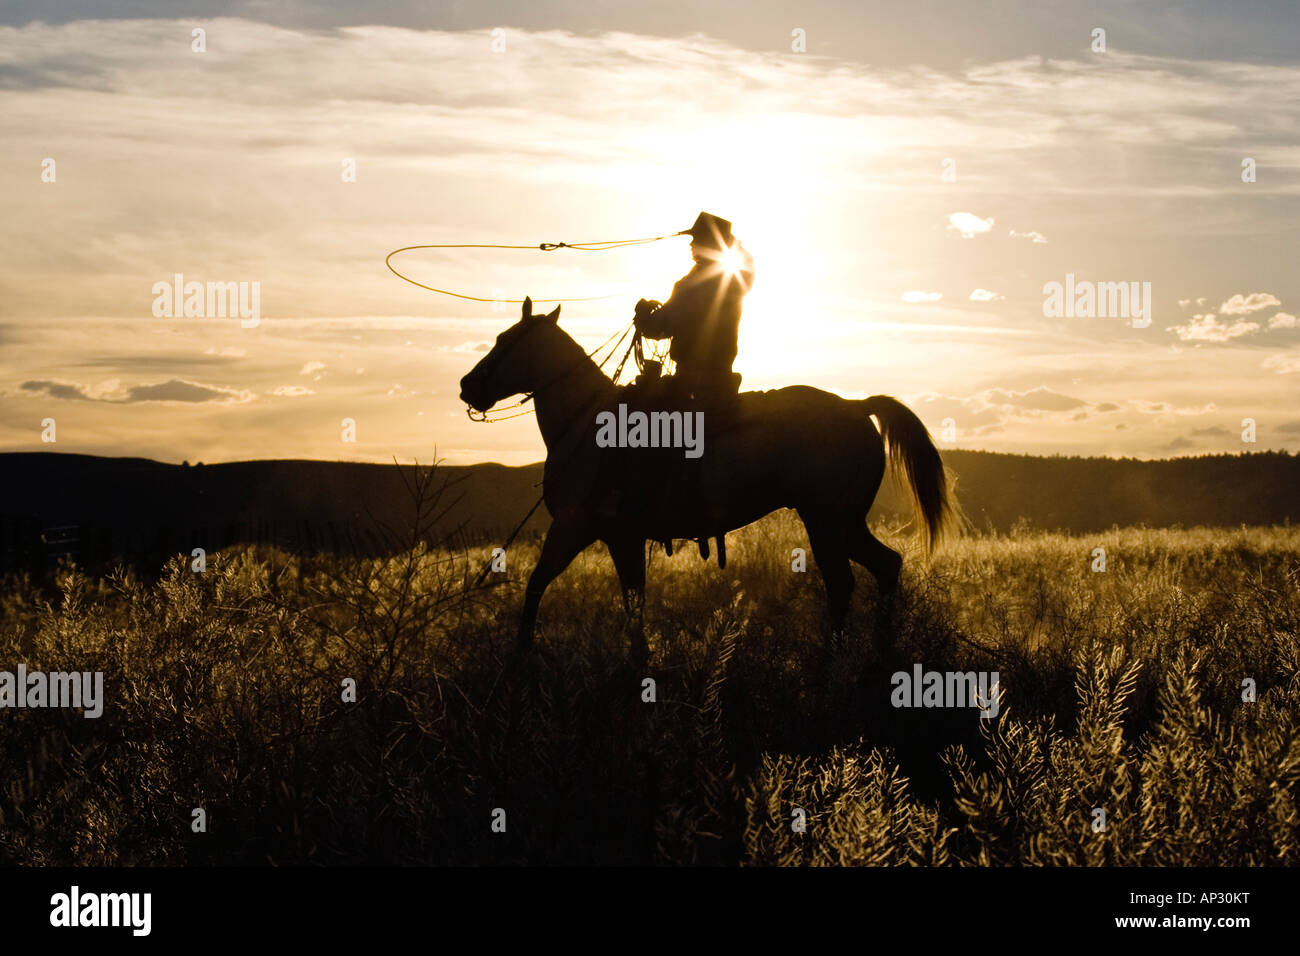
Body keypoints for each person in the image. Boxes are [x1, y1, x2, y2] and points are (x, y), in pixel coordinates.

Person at [633, 211, 753, 406]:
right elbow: (748, 270)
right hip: (721, 378)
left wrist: (643, 318)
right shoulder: (732, 279)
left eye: (696, 239)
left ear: (708, 242)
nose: (691, 244)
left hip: (692, 381)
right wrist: (731, 243)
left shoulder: (692, 285)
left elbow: (664, 324)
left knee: (640, 407)